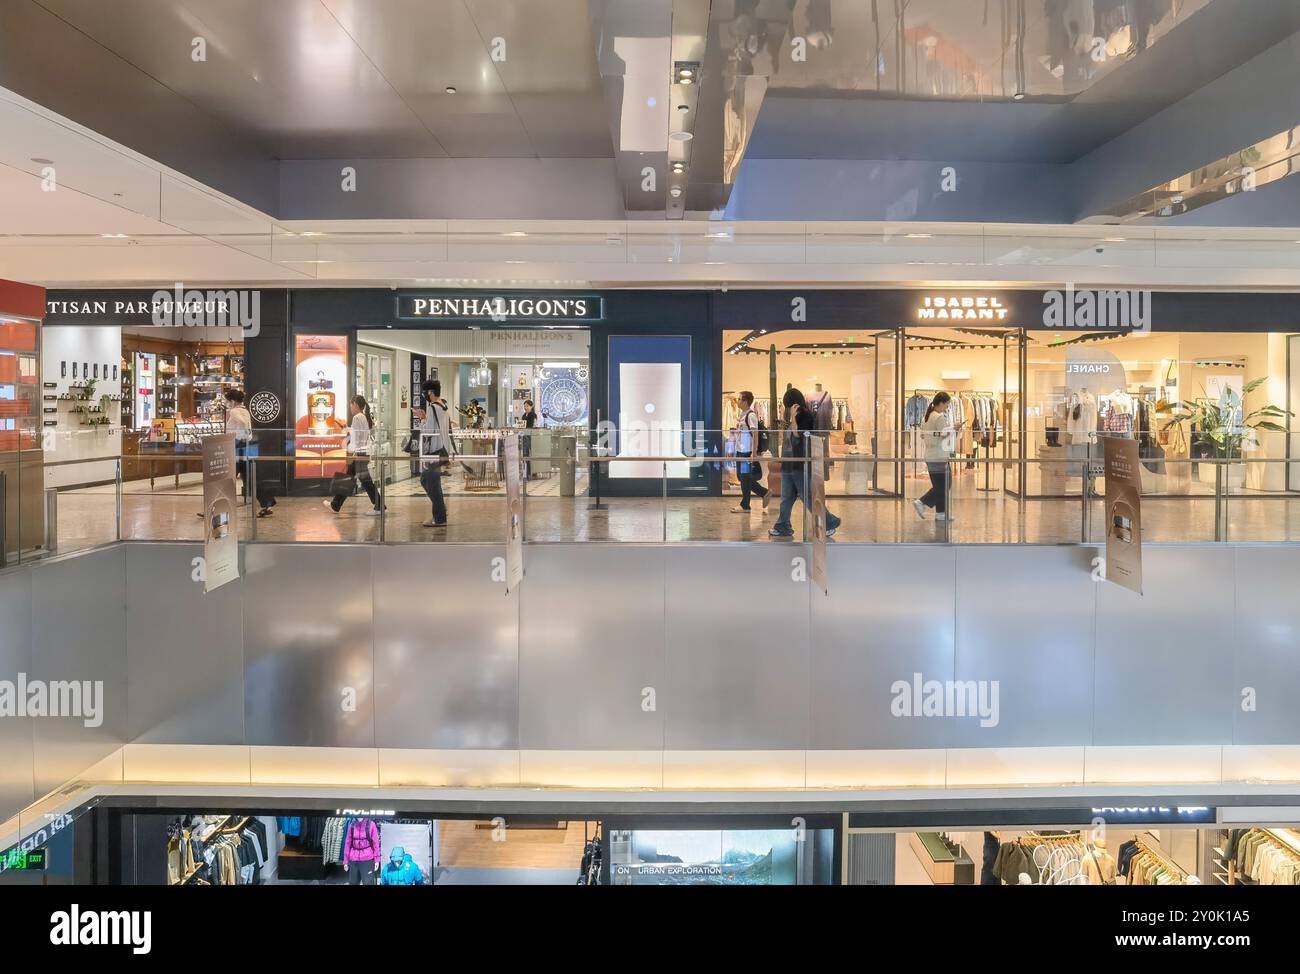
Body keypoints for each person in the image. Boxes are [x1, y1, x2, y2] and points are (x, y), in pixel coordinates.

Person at [769, 387, 841, 539]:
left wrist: (793, 419)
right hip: (788, 464)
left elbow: (798, 437)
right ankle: (783, 526)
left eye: (789, 405)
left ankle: (829, 521)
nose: (789, 409)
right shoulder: (798, 416)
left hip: (799, 464)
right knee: (786, 498)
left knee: (808, 496)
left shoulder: (806, 416)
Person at [324, 394, 383, 516]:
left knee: (360, 481)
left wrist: (350, 453)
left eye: (351, 405)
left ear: (355, 404)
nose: (350, 408)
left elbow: (356, 438)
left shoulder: (357, 417)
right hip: (363, 452)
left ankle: (379, 506)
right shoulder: (363, 417)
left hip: (359, 453)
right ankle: (336, 504)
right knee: (354, 479)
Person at [222, 389, 276, 518]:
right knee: (250, 477)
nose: (226, 403)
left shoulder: (234, 411)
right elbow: (246, 425)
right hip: (245, 446)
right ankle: (267, 504)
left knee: (226, 477)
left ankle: (214, 507)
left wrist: (240, 434)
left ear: (233, 401)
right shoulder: (245, 410)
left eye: (227, 400)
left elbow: (243, 423)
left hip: (236, 445)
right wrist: (246, 434)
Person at [414, 378, 452, 528]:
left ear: (430, 392)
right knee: (426, 480)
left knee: (431, 482)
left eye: (425, 392)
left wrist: (422, 419)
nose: (425, 394)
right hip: (443, 448)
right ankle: (441, 509)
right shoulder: (444, 406)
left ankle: (440, 517)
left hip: (434, 450)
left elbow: (428, 432)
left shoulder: (432, 407)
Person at [914, 392, 955, 522]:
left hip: (930, 455)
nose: (947, 407)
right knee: (943, 485)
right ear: (941, 403)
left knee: (940, 485)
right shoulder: (939, 417)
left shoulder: (927, 417)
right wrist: (955, 429)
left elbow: (923, 435)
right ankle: (922, 502)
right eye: (947, 404)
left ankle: (941, 513)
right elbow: (945, 435)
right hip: (939, 455)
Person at [731, 390, 769, 514]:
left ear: (745, 401)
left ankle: (745, 505)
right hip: (740, 450)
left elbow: (755, 434)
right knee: (742, 477)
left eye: (740, 399)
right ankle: (764, 493)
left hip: (746, 452)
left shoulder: (751, 415)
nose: (738, 401)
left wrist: (753, 452)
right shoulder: (742, 414)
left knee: (744, 477)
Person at [521, 399, 538, 479]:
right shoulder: (524, 415)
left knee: (533, 453)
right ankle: (527, 472)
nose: (526, 407)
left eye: (527, 406)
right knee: (525, 454)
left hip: (531, 436)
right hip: (525, 436)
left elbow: (533, 425)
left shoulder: (533, 415)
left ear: (531, 406)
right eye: (525, 406)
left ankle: (534, 471)